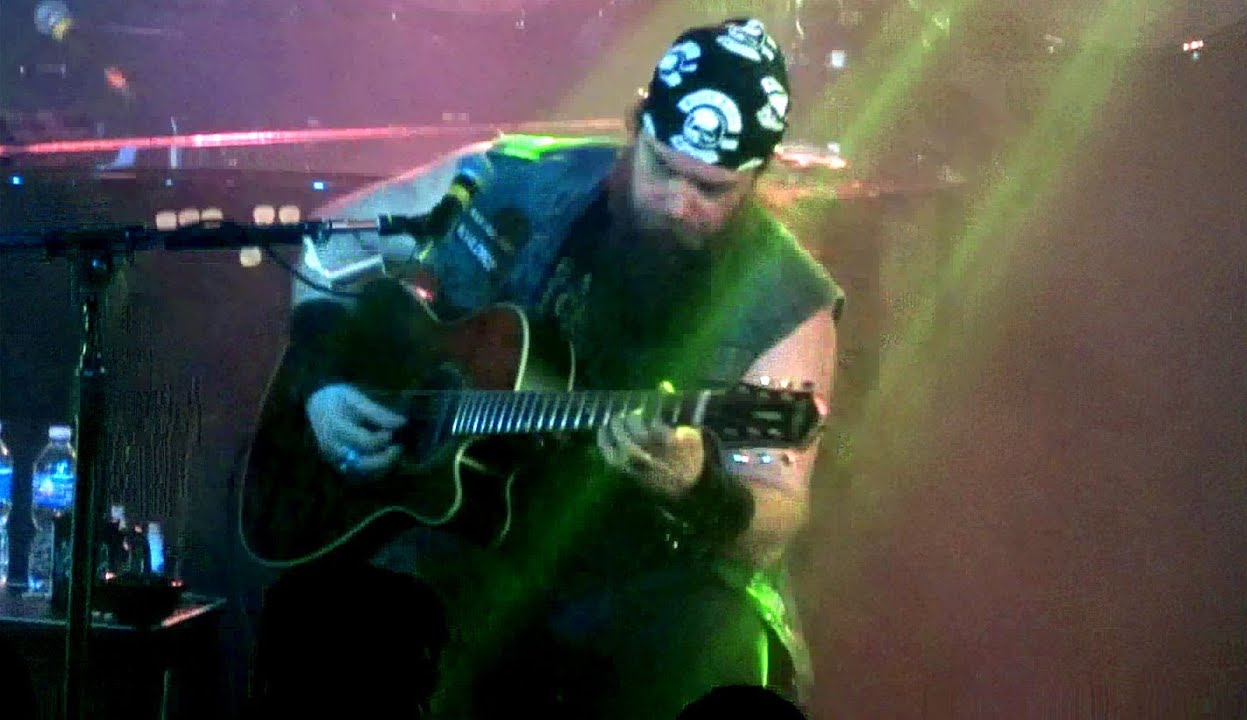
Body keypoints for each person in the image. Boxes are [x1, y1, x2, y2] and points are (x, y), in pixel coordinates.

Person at [247, 16, 842, 720]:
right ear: (636, 127)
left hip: (647, 581)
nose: (678, 203)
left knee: (705, 658)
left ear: (758, 177)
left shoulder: (788, 303)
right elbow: (327, 245)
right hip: (471, 547)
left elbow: (777, 513)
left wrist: (698, 488)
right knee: (337, 626)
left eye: (711, 191)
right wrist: (323, 382)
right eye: (662, 168)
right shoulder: (517, 179)